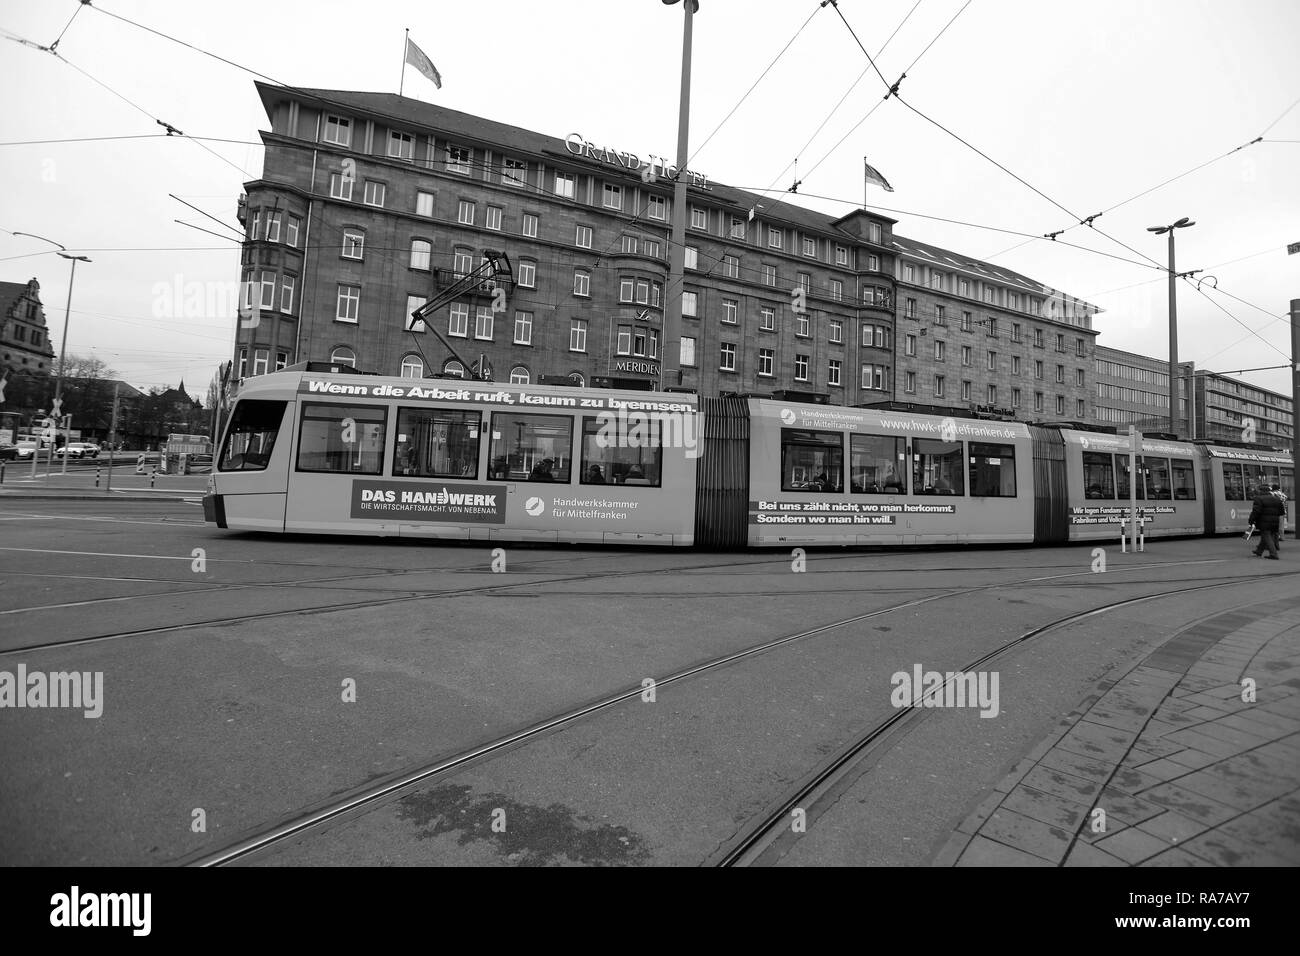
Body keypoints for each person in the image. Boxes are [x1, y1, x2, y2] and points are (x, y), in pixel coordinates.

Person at [1248, 483, 1285, 559]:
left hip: (1264, 522)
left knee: (1267, 536)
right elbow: (1282, 512)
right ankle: (1259, 551)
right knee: (1266, 536)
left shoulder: (1258, 499)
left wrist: (1251, 520)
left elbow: (1256, 511)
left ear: (1260, 490)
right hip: (1275, 522)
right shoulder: (1276, 499)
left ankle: (1273, 554)